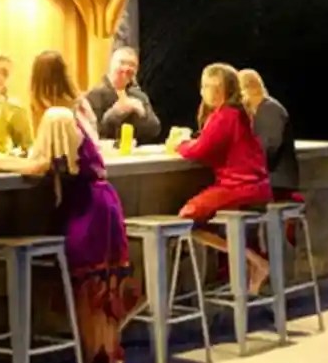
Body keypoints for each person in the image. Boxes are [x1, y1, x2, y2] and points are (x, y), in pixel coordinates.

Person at [0, 50, 140, 363]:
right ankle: (104, 355)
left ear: (35, 82)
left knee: (87, 280)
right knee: (102, 279)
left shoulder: (55, 115)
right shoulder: (77, 108)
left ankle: (95, 357)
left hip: (86, 205)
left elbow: (38, 165)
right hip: (101, 199)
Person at [175, 63, 274, 293]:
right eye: (204, 86)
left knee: (185, 219)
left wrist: (179, 144)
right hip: (257, 186)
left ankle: (255, 261)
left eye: (208, 86)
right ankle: (252, 262)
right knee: (193, 219)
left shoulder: (225, 115)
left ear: (221, 90)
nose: (204, 91)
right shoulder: (239, 111)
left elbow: (201, 150)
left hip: (239, 186)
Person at [239, 69, 300, 197]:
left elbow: (268, 149)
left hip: (277, 183)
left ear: (247, 90)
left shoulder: (270, 110)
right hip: (265, 181)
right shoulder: (257, 111)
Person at [85, 46, 161, 144]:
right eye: (122, 63)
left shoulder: (139, 96)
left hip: (135, 155)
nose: (127, 68)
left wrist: (143, 114)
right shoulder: (93, 95)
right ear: (111, 65)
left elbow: (155, 130)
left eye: (132, 65)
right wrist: (115, 113)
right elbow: (91, 133)